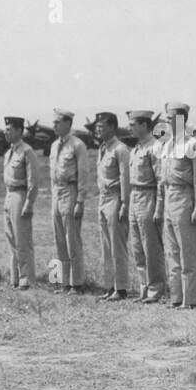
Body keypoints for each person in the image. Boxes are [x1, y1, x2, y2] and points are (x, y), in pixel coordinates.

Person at [157, 102, 196, 309]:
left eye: (170, 119)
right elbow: (163, 179)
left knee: (188, 252)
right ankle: (177, 297)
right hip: (169, 197)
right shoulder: (167, 145)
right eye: (167, 119)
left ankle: (191, 299)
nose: (167, 123)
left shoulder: (192, 145)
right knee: (172, 252)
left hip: (184, 198)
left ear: (181, 120)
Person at [91, 112, 132, 301]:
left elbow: (125, 178)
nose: (98, 129)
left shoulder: (120, 149)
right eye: (97, 126)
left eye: (102, 126)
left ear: (112, 127)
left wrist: (124, 204)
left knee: (117, 246)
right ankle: (109, 285)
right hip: (103, 198)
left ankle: (121, 288)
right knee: (105, 246)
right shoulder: (102, 148)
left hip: (115, 199)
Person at [127, 110, 166, 304]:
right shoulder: (136, 148)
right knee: (137, 246)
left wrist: (159, 208)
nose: (129, 127)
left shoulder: (155, 147)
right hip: (135, 196)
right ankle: (144, 287)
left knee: (151, 246)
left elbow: (161, 180)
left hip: (148, 196)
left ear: (144, 125)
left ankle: (156, 288)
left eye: (133, 124)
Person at [49, 109, 87, 294]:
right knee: (58, 239)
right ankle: (62, 282)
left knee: (72, 239)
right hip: (56, 192)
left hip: (70, 191)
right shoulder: (54, 145)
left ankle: (76, 283)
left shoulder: (77, 145)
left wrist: (80, 200)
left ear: (67, 123)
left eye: (57, 122)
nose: (54, 125)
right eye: (53, 122)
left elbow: (83, 174)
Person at [2, 116, 39, 289]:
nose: (5, 131)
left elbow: (33, 181)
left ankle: (27, 278)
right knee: (11, 239)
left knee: (22, 239)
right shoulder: (9, 152)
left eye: (9, 129)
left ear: (19, 130)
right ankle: (15, 277)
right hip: (9, 195)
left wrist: (29, 203)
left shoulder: (27, 151)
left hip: (20, 195)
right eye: (6, 128)